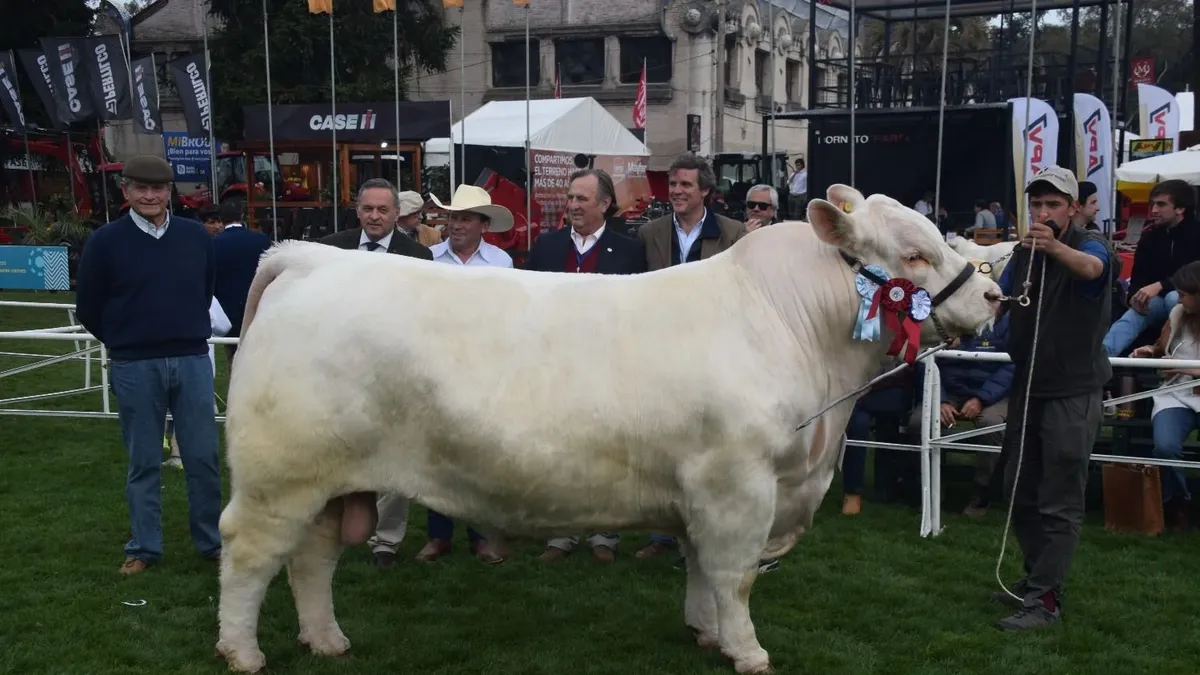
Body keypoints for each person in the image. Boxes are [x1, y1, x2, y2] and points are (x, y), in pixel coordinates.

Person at [74, 155, 224, 574]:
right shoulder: (105, 241)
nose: (149, 195)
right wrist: (124, 339)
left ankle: (211, 541)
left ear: (169, 191)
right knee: (144, 460)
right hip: (134, 364)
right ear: (126, 191)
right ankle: (144, 547)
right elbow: (88, 305)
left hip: (192, 358)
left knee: (204, 458)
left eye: (157, 188)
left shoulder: (196, 237)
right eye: (140, 188)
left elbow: (204, 288)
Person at [992, 165, 1113, 631]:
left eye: (1053, 204)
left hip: (1073, 391)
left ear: (1075, 208)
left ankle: (1045, 601)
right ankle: (1034, 581)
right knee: (1019, 491)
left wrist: (1056, 246)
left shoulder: (1089, 243)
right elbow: (997, 290)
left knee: (1059, 499)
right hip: (1028, 385)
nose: (1042, 213)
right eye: (1036, 204)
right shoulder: (1025, 253)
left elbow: (1094, 269)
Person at [525, 168, 645, 562]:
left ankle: (604, 535)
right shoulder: (546, 247)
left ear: (605, 204)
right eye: (571, 198)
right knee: (560, 451)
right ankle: (561, 533)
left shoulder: (629, 250)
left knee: (607, 452)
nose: (573, 205)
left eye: (582, 199)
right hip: (555, 369)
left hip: (610, 370)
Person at [320, 178, 433, 570]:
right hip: (339, 371)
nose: (374, 216)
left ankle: (386, 539)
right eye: (368, 208)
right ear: (357, 210)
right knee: (334, 450)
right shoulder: (330, 248)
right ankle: (329, 530)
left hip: (392, 373)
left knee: (393, 455)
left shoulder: (418, 257)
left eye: (383, 210)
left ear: (397, 214)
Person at [1129, 260, 1200, 532]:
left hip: (1189, 386)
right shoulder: (1178, 313)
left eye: (1184, 294)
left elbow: (1179, 363)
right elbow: (1163, 347)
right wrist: (1149, 351)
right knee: (1165, 447)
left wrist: (1181, 368)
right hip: (1175, 394)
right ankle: (1177, 503)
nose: (1178, 299)